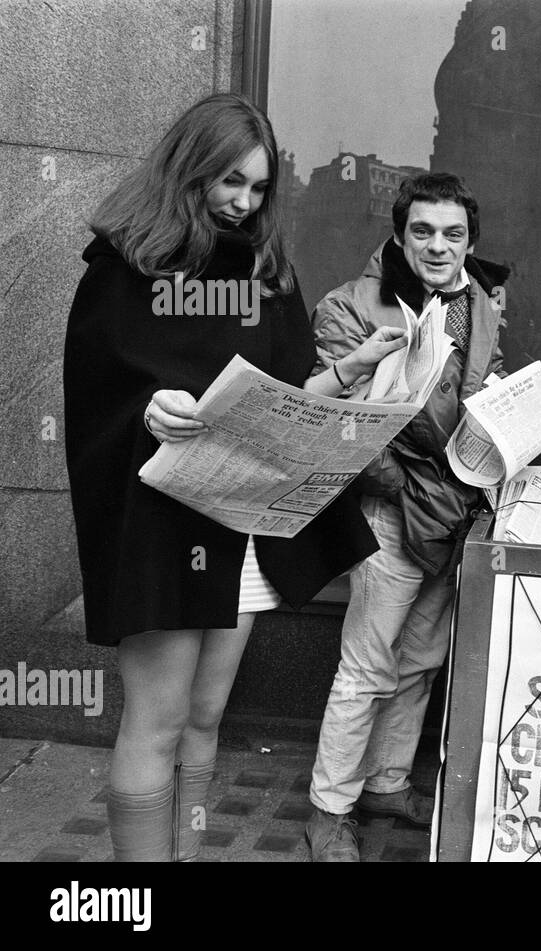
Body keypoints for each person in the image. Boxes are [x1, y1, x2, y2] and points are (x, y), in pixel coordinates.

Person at [63, 93, 404, 861]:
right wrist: (149, 408)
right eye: (229, 183)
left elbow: (281, 399)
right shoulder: (125, 265)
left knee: (207, 718)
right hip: (163, 528)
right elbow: (97, 398)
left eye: (257, 188)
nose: (244, 203)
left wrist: (347, 372)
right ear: (190, 169)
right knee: (153, 720)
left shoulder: (267, 271)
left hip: (245, 530)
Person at [304, 172, 541, 861]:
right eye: (422, 230)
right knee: (366, 666)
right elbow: (340, 426)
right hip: (391, 506)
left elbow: (487, 388)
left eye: (453, 233)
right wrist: (402, 493)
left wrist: (530, 421)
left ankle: (388, 781)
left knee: (420, 659)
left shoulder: (477, 301)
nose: (438, 245)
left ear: (469, 240)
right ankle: (329, 807)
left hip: (454, 506)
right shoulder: (347, 307)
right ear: (398, 235)